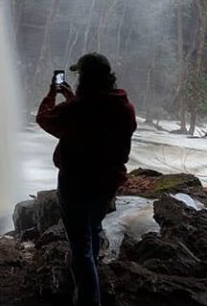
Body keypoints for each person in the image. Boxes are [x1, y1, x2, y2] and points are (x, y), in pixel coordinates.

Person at [36, 53, 136, 306]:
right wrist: (72, 99)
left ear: (84, 78)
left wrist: (52, 93)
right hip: (107, 181)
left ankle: (89, 299)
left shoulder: (78, 109)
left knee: (80, 248)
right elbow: (94, 117)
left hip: (76, 182)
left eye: (79, 75)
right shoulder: (124, 108)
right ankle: (83, 289)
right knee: (92, 230)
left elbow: (45, 118)